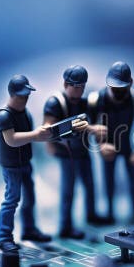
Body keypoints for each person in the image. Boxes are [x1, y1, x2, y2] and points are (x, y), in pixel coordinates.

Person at [0, 75, 86, 252]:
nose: (25, 98)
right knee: (11, 200)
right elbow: (11, 140)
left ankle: (29, 230)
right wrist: (36, 135)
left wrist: (54, 134)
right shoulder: (4, 116)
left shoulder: (25, 113)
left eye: (27, 95)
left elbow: (32, 136)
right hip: (12, 167)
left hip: (26, 163)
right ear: (12, 94)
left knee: (30, 198)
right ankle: (3, 237)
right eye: (22, 95)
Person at [43, 65, 110, 240]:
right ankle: (65, 226)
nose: (79, 90)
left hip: (83, 150)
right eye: (76, 86)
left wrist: (98, 137)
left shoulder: (85, 102)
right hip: (67, 154)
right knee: (69, 191)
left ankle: (91, 215)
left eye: (82, 86)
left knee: (90, 185)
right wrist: (88, 126)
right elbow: (49, 130)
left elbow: (93, 124)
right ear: (66, 84)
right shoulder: (55, 103)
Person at [88, 61, 134, 222]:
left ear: (130, 83)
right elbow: (90, 127)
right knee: (108, 180)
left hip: (127, 146)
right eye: (114, 88)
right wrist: (101, 145)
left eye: (121, 88)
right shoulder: (96, 100)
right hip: (107, 146)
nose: (117, 93)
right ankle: (109, 212)